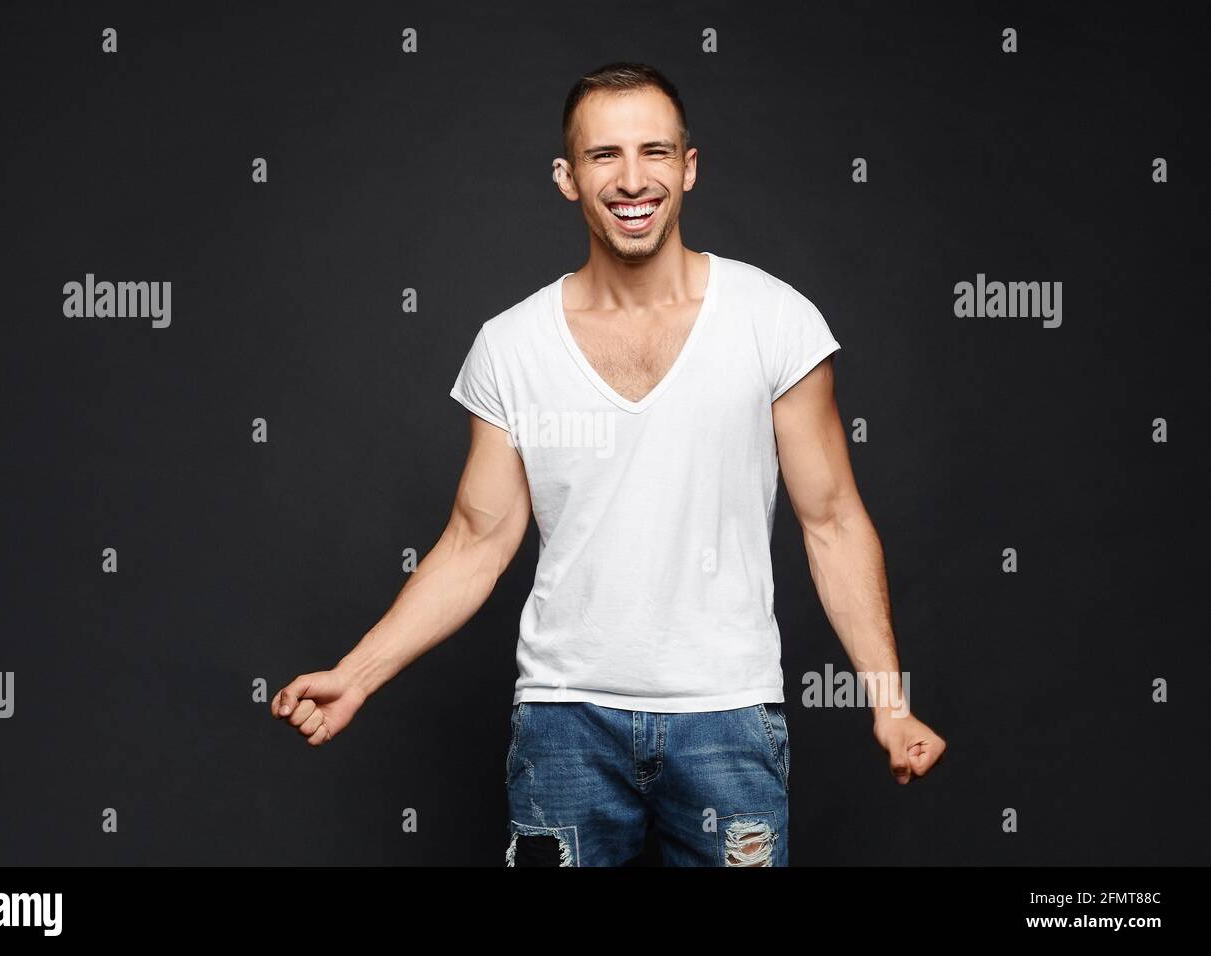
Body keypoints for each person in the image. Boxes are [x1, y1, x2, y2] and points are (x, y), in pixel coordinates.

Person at [271, 62, 946, 866]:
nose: (633, 180)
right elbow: (476, 541)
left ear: (688, 168)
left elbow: (832, 521)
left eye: (655, 153)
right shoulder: (511, 344)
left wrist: (889, 702)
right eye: (604, 157)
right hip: (564, 722)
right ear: (567, 178)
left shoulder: (774, 320)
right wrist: (357, 673)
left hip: (728, 720)